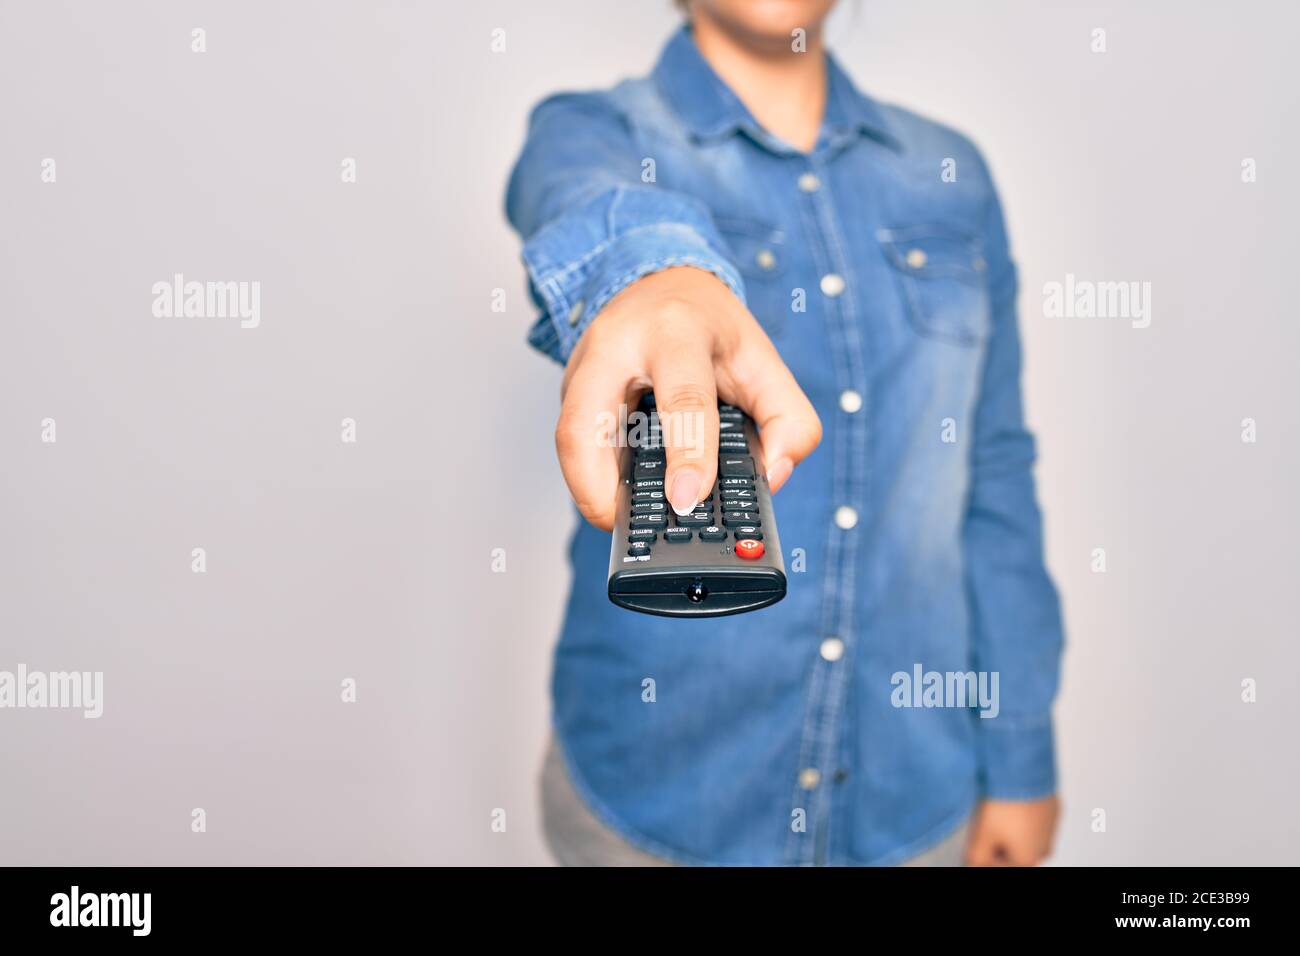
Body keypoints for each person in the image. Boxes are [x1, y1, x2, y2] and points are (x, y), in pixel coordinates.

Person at [505, 0, 1063, 866]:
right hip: (655, 808)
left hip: (914, 803)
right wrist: (663, 279)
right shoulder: (595, 130)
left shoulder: (951, 173)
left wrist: (1022, 753)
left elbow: (993, 477)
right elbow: (585, 194)